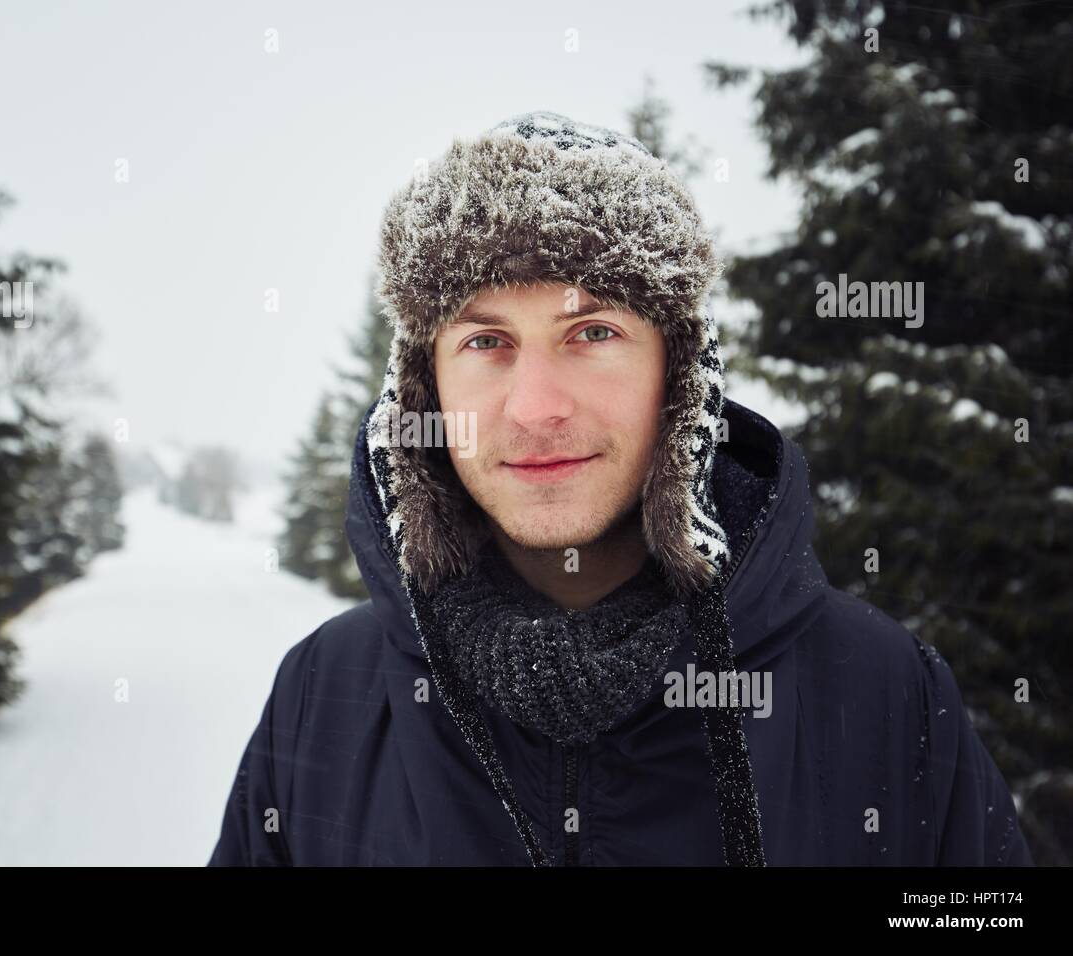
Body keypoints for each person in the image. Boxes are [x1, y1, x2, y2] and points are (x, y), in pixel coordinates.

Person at [207, 111, 1033, 866]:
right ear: (425, 392)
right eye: (486, 340)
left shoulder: (884, 692)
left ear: (678, 379)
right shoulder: (325, 694)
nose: (535, 409)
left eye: (592, 332)